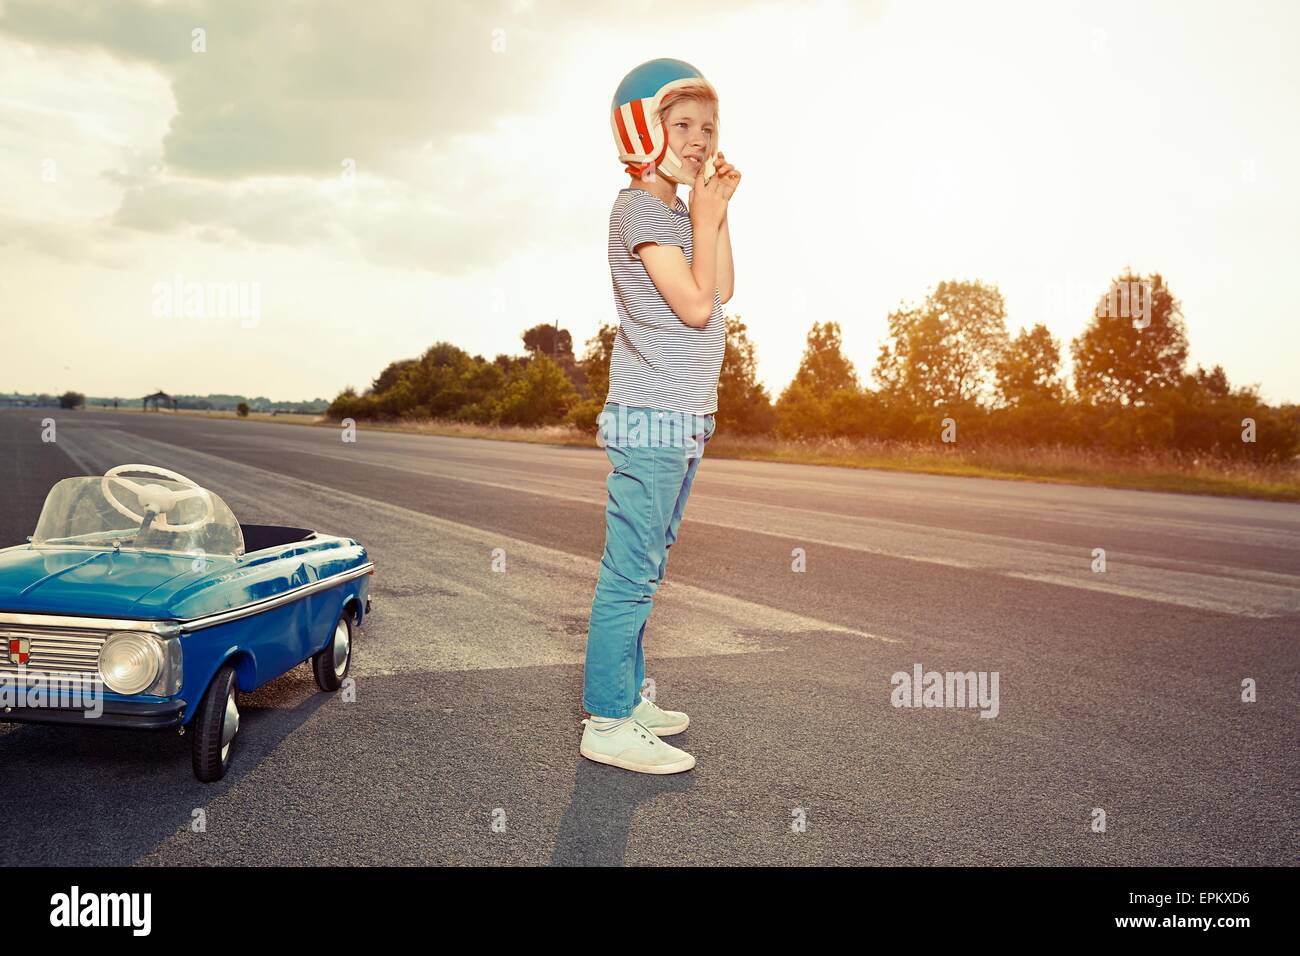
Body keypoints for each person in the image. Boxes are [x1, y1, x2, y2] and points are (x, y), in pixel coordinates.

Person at [580, 59, 741, 774]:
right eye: (683, 125)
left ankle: (629, 697)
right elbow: (695, 305)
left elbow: (724, 285)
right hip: (650, 418)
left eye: (709, 127)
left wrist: (714, 214)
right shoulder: (640, 209)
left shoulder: (677, 213)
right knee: (630, 575)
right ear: (642, 128)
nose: (701, 139)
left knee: (648, 569)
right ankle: (607, 723)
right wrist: (699, 219)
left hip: (682, 419)